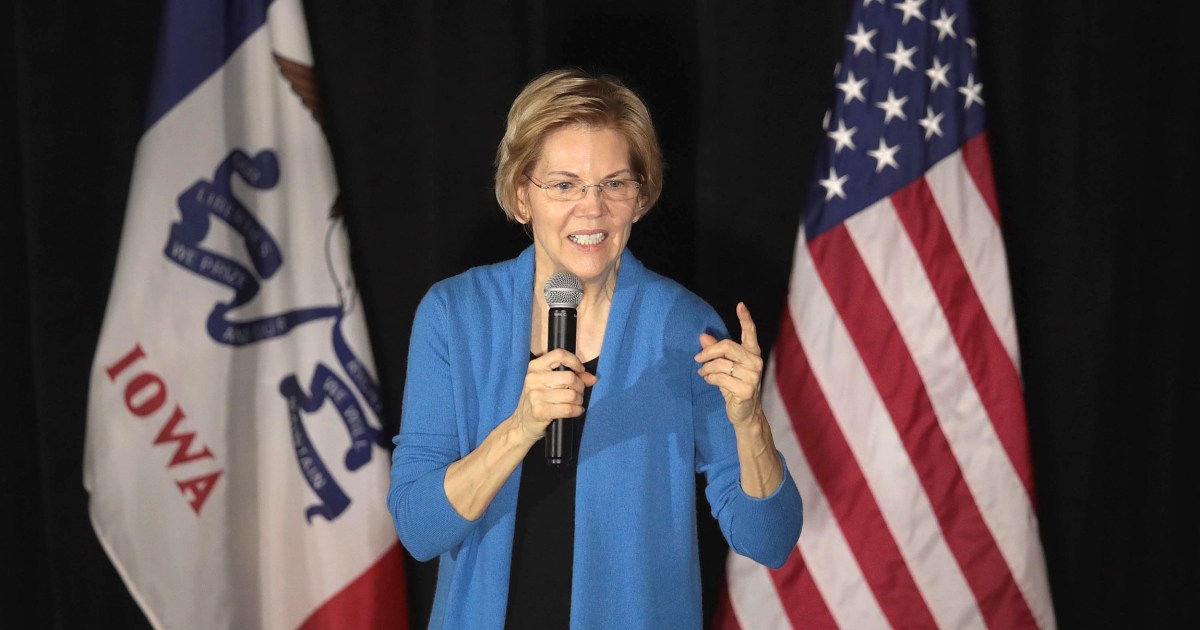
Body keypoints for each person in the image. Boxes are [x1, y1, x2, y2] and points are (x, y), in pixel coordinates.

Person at [388, 68, 803, 629]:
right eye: (563, 185)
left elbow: (769, 540)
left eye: (614, 184)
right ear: (520, 195)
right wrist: (520, 428)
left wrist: (750, 421)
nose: (593, 208)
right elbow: (418, 528)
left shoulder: (684, 327)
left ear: (640, 197)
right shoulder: (455, 315)